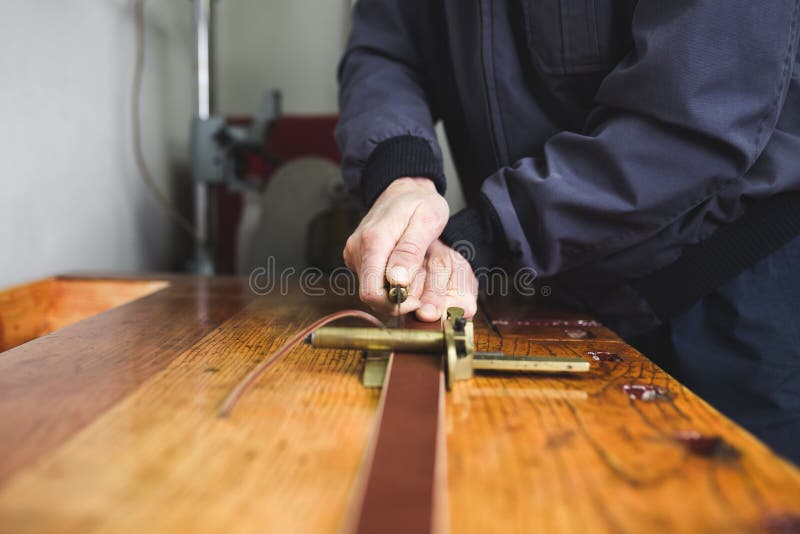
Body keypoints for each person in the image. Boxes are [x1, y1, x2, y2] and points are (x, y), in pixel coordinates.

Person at [335, 0, 800, 464]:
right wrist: (401, 175)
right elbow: (386, 49)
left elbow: (698, 115)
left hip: (733, 298)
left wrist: (485, 233)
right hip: (547, 285)